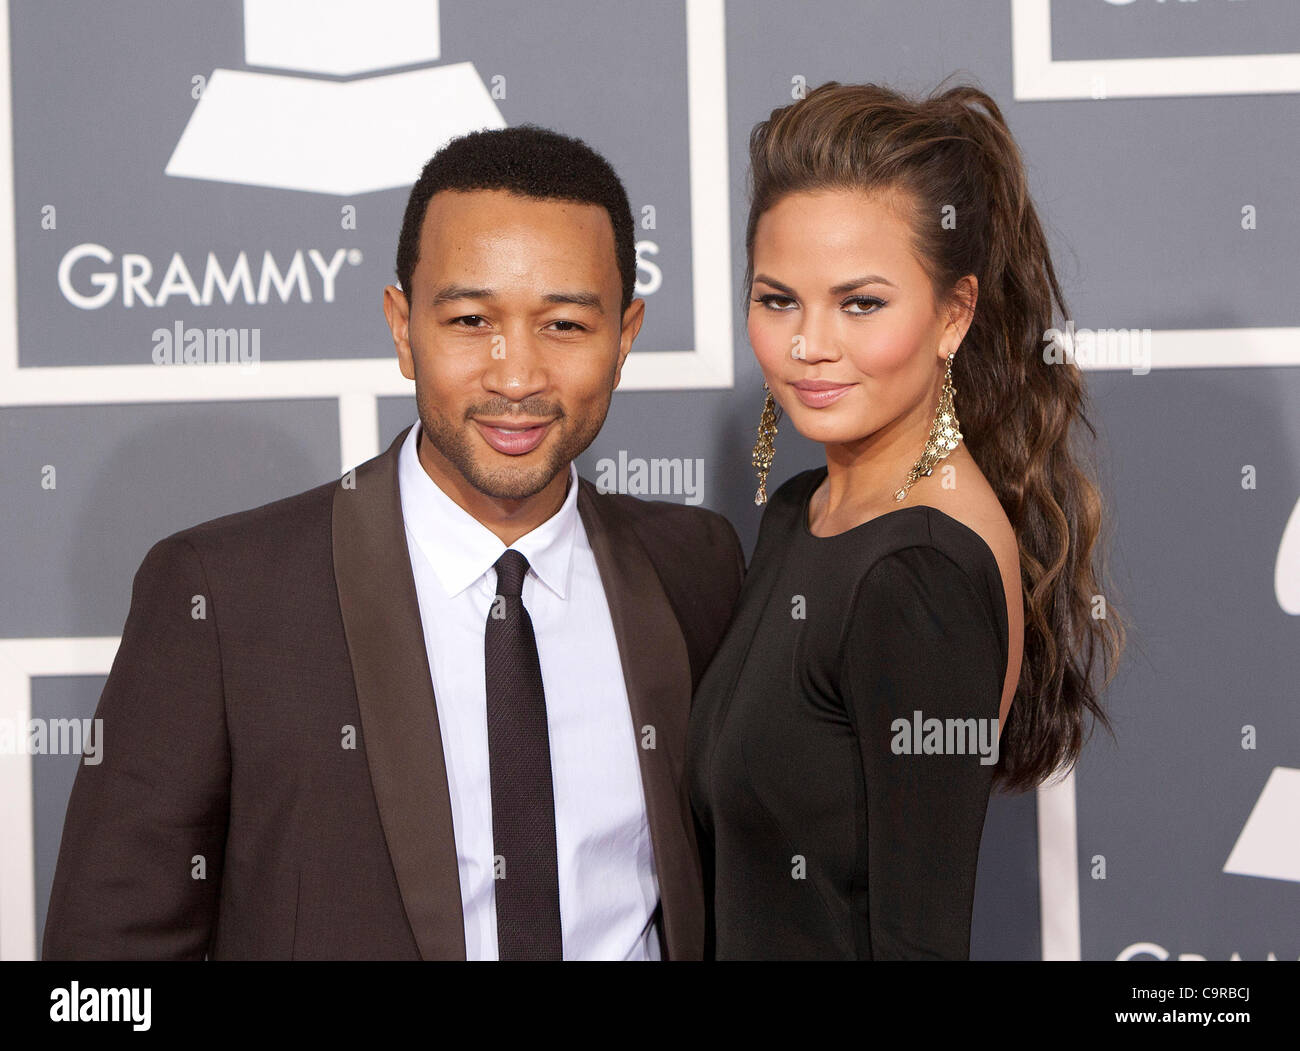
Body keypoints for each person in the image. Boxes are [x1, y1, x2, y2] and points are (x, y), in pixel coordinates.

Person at [43, 125, 745, 961]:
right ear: (403, 327)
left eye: (563, 324)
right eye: (470, 317)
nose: (514, 376)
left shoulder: (696, 566)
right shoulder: (222, 597)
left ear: (624, 338)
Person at [686, 81, 1125, 960]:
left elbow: (920, 942)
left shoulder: (920, 571)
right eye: (778, 300)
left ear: (951, 314)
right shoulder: (802, 511)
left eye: (861, 303)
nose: (810, 343)